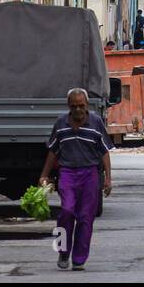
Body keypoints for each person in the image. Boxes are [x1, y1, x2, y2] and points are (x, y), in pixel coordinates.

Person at [39, 88, 113, 271]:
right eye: (74, 106)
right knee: (66, 211)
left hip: (90, 174)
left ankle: (79, 259)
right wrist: (44, 175)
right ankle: (63, 251)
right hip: (67, 173)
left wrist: (108, 179)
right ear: (68, 106)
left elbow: (104, 152)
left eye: (81, 106)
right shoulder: (61, 123)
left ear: (87, 105)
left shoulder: (96, 122)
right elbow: (53, 151)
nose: (78, 110)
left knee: (85, 218)